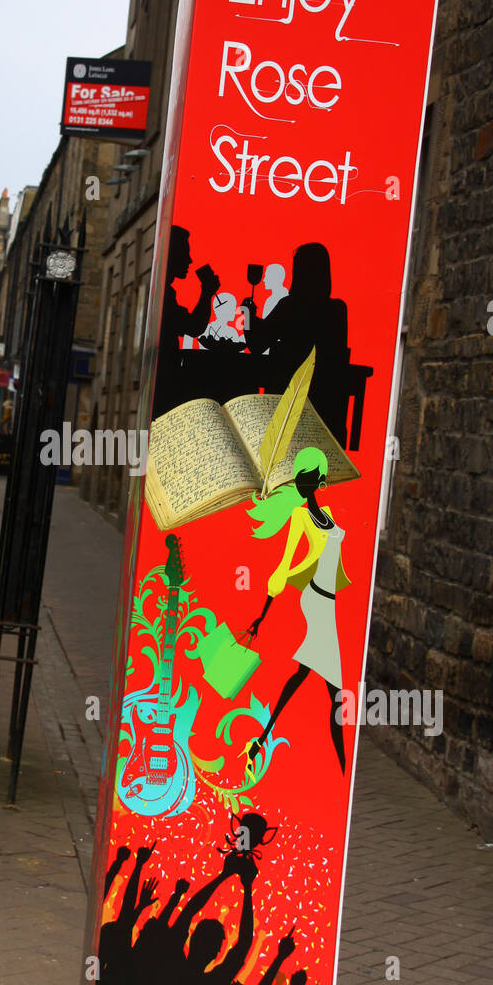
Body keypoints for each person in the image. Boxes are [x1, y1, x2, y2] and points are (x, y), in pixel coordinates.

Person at [244, 445, 350, 773]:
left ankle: (259, 741)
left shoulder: (328, 513)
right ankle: (340, 766)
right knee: (332, 690)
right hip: (316, 601)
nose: (303, 484)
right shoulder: (300, 517)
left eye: (307, 479)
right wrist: (262, 615)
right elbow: (283, 566)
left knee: (305, 675)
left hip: (328, 603)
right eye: (299, 480)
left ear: (318, 481)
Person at [242, 243, 350, 447]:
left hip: (287, 413)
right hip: (327, 415)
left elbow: (256, 344)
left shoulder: (289, 306)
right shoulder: (338, 310)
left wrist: (247, 316)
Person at [152, 226, 220, 417]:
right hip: (166, 379)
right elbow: (193, 326)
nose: (190, 260)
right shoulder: (165, 293)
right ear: (173, 255)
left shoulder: (164, 290)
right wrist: (206, 292)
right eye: (185, 253)